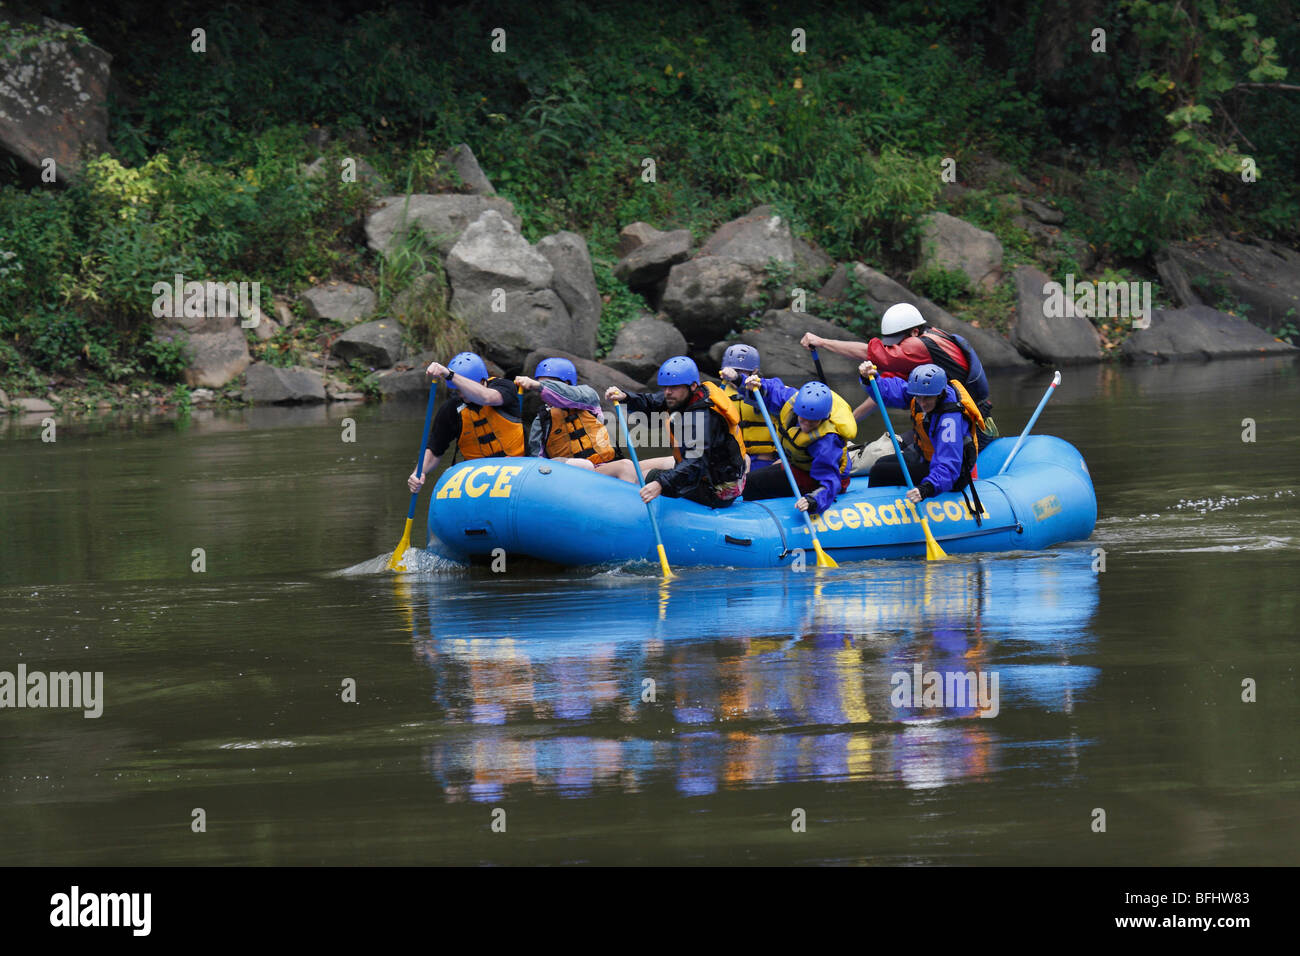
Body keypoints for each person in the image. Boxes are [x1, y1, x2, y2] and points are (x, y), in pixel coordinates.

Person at [603, 356, 748, 509]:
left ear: (692, 386)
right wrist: (625, 397)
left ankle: (627, 511)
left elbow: (696, 462)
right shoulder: (686, 396)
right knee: (651, 472)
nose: (667, 392)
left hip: (717, 490)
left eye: (673, 388)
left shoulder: (703, 418)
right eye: (665, 387)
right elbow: (653, 401)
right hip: (710, 475)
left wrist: (660, 484)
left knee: (645, 478)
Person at [861, 361, 993, 521]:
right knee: (881, 463)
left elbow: (948, 465)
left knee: (880, 472)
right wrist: (872, 379)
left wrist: (926, 488)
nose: (922, 403)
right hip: (926, 458)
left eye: (927, 399)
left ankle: (878, 519)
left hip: (952, 475)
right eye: (919, 398)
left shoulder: (949, 420)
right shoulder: (922, 393)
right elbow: (893, 391)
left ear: (940, 393)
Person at [406, 351, 523, 494]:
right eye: (458, 389)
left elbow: (486, 397)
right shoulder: (451, 409)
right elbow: (434, 450)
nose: (461, 393)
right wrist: (418, 473)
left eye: (464, 388)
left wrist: (449, 374)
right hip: (478, 477)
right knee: (448, 471)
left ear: (481, 382)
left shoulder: (505, 387)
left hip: (517, 469)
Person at [740, 377, 855, 515]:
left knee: (754, 483)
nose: (805, 425)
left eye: (812, 422)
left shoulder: (826, 442)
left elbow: (831, 481)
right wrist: (754, 383)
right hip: (801, 467)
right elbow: (775, 391)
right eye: (802, 419)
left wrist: (813, 501)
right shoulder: (794, 402)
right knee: (751, 481)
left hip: (821, 479)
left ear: (824, 418)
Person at [515, 357, 637, 482]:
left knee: (629, 465)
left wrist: (539, 386)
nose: (541, 390)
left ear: (567, 383)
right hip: (564, 473)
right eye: (539, 385)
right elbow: (537, 459)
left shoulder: (587, 397)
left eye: (549, 383)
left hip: (601, 468)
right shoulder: (541, 420)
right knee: (586, 465)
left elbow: (568, 395)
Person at [716, 343, 778, 470]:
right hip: (733, 460)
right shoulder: (718, 393)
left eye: (738, 371)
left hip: (763, 460)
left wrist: (739, 380)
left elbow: (767, 398)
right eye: (730, 371)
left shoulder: (765, 391)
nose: (732, 375)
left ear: (754, 371)